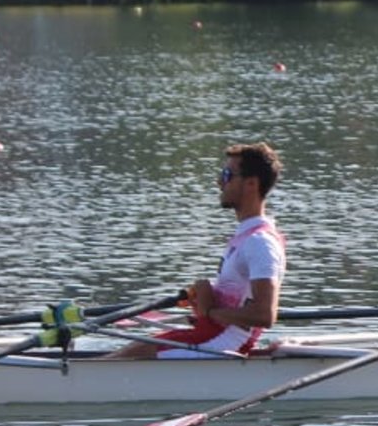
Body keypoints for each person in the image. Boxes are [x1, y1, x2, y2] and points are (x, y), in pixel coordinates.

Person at [114, 142, 284, 359]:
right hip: (212, 334)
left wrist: (210, 312)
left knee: (136, 353)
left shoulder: (260, 243)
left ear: (251, 183)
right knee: (135, 347)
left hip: (222, 343)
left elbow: (264, 315)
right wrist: (207, 296)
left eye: (226, 175)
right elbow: (241, 296)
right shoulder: (246, 237)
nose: (219, 182)